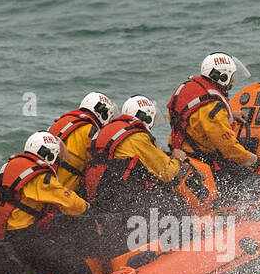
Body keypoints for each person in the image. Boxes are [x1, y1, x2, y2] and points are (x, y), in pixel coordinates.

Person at [82, 96, 203, 253]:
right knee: (175, 203)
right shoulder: (137, 137)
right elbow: (167, 173)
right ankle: (189, 248)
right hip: (125, 201)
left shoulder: (107, 132)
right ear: (146, 117)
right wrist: (178, 159)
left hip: (103, 202)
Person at [0, 131, 100, 274]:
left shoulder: (8, 168)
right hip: (23, 240)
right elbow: (70, 203)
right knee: (75, 264)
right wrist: (87, 207)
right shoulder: (41, 178)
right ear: (49, 155)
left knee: (55, 249)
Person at [166, 52, 260, 205]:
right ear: (222, 77)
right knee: (255, 180)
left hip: (184, 151)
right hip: (204, 158)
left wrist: (230, 114)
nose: (233, 80)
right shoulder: (213, 110)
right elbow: (229, 149)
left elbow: (192, 116)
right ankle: (247, 212)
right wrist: (256, 161)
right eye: (231, 76)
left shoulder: (188, 88)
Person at [47, 92, 116, 194]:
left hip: (46, 182)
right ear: (103, 114)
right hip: (65, 189)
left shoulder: (60, 123)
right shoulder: (91, 133)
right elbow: (101, 163)